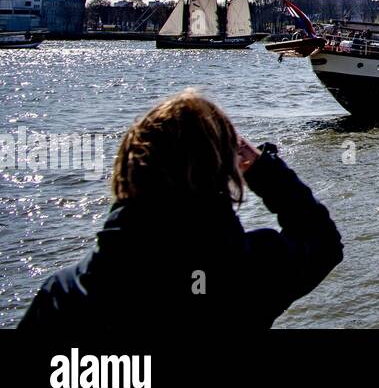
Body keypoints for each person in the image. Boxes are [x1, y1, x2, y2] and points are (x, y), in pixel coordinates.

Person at [19, 90, 343, 331]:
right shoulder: (247, 273)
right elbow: (323, 241)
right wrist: (261, 168)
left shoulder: (63, 294)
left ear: (129, 169)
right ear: (224, 171)